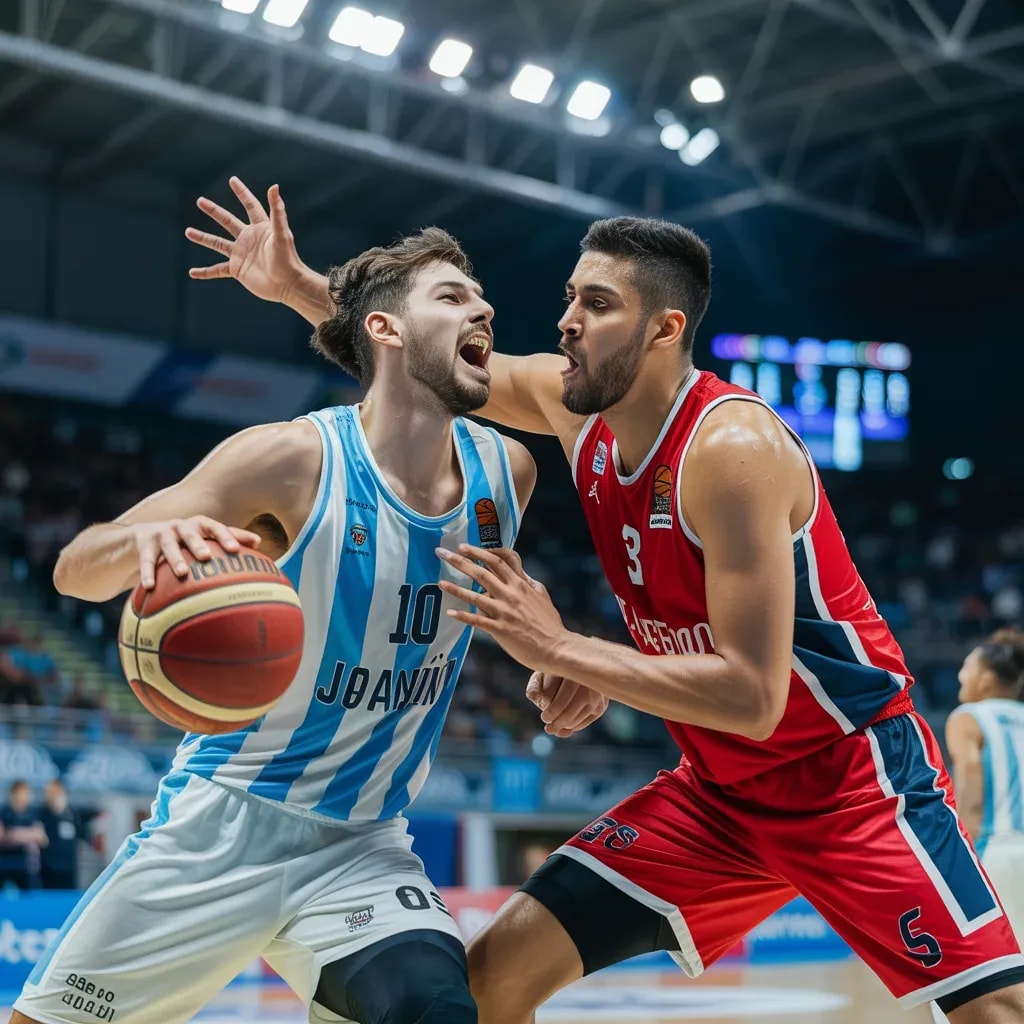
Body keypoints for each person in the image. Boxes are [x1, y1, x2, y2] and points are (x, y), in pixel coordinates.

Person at [196, 177, 1024, 1022]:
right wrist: (299, 286)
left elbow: (751, 694)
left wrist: (561, 649)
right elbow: (430, 367)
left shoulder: (730, 448)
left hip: (847, 782)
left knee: (991, 1012)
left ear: (665, 329)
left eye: (596, 304)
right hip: (717, 797)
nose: (566, 322)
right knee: (484, 988)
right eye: (569, 299)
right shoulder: (575, 410)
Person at [11, 198, 606, 1024]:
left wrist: (556, 659)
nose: (483, 308)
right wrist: (148, 542)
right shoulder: (289, 459)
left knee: (437, 1010)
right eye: (452, 296)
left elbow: (491, 598)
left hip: (362, 846)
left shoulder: (509, 471)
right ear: (386, 332)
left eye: (481, 298)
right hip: (224, 825)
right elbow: (78, 568)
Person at [947, 628, 1024, 937]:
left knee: (1003, 965)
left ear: (986, 679)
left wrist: (960, 853)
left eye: (967, 667)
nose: (960, 675)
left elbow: (970, 785)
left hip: (997, 848)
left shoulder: (968, 717)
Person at [0, 780, 46, 891]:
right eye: (21, 793)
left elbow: (42, 838)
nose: (24, 797)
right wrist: (29, 834)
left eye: (26, 793)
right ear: (13, 794)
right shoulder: (3, 812)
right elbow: (2, 836)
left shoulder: (33, 814)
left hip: (26, 864)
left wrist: (14, 834)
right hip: (5, 863)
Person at [39, 780, 80, 891]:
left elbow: (79, 836)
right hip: (49, 868)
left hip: (69, 867)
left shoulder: (72, 814)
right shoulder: (42, 814)